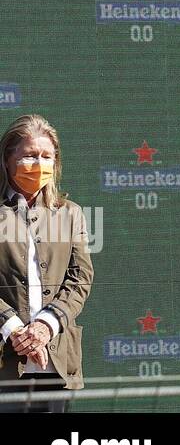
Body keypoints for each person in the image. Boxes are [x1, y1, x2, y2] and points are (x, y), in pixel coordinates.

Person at [0, 115, 93, 412]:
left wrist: (45, 326)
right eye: (29, 155)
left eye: (46, 156)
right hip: (6, 362)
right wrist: (14, 329)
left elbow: (80, 279)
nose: (38, 164)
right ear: (8, 158)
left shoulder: (70, 213)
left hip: (56, 363)